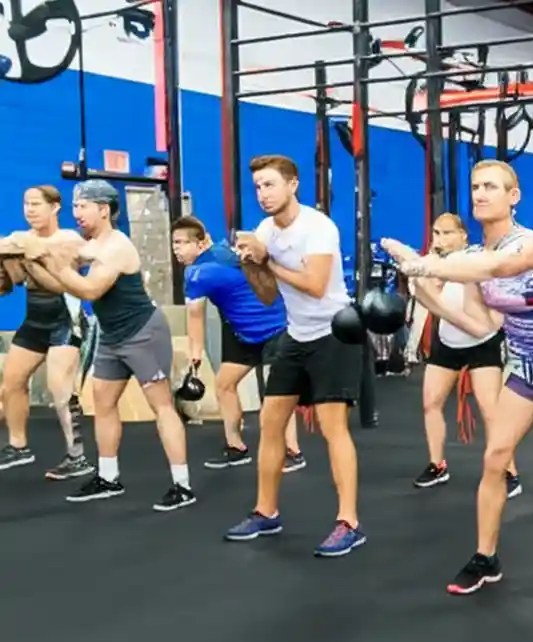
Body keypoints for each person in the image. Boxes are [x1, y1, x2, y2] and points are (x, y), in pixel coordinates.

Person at [381, 159, 533, 612]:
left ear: (514, 196)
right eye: (475, 186)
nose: (481, 193)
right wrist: (424, 292)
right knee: (494, 458)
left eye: (492, 186)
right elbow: (480, 325)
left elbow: (493, 267)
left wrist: (423, 264)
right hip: (526, 367)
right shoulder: (471, 263)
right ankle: (485, 557)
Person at [222, 154, 365, 558]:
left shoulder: (318, 227)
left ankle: (348, 522)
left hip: (334, 331)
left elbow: (317, 286)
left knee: (332, 426)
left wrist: (267, 259)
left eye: (269, 185)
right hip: (297, 335)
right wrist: (250, 263)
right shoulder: (266, 230)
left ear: (293, 185)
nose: (263, 194)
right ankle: (266, 511)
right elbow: (268, 294)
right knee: (270, 423)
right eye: (258, 187)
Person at [32, 180, 195, 512]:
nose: (76, 213)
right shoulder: (92, 245)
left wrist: (55, 263)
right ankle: (108, 478)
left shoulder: (117, 246)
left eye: (83, 206)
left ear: (103, 209)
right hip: (111, 336)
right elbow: (60, 281)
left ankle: (182, 485)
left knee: (162, 406)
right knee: (103, 404)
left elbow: (89, 290)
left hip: (142, 334)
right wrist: (34, 264)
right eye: (74, 206)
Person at [170, 215, 306, 474]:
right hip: (243, 334)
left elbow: (195, 317)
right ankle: (236, 447)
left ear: (201, 244)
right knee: (224, 384)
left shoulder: (197, 273)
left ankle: (292, 452)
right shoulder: (223, 251)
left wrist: (194, 356)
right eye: (174, 243)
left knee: (277, 395)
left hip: (275, 328)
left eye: (182, 243)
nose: (177, 249)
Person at [404, 212, 521, 497]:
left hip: (482, 341)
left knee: (491, 410)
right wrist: (427, 271)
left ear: (463, 235)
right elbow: (428, 298)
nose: (440, 239)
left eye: (447, 233)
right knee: (431, 403)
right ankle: (437, 465)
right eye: (437, 233)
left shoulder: (475, 260)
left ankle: (508, 472)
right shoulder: (432, 264)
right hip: (448, 340)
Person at [0, 186, 94, 481]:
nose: (30, 209)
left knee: (60, 391)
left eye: (36, 204)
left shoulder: (69, 239)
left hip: (66, 321)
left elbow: (64, 277)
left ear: (55, 207)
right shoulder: (21, 237)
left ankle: (77, 457)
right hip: (35, 321)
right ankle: (18, 446)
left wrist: (29, 255)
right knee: (11, 384)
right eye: (26, 204)